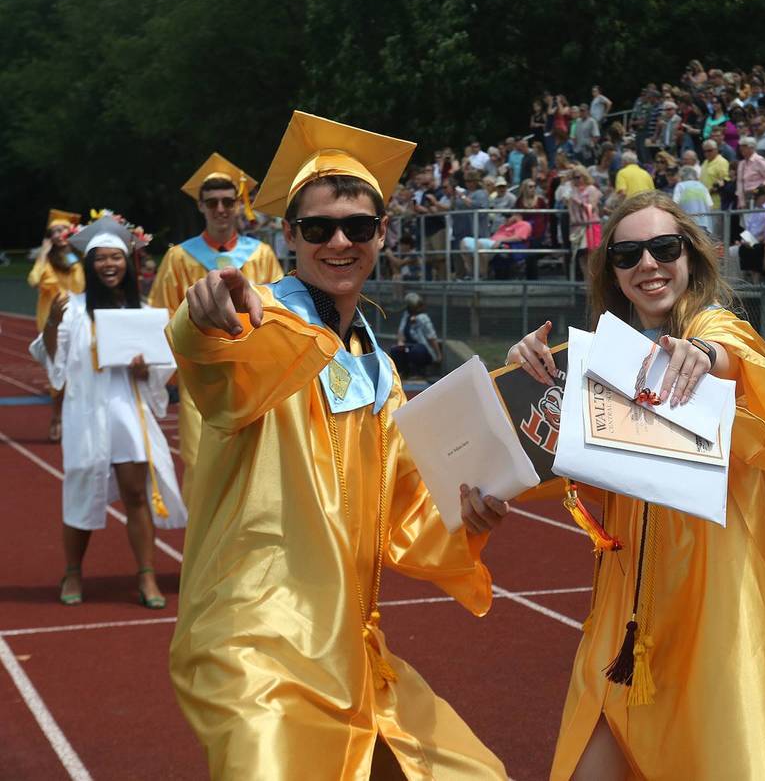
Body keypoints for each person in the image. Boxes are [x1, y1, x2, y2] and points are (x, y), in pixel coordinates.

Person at [167, 112, 510, 779]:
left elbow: (406, 509)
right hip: (257, 641)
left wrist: (467, 517)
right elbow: (213, 355)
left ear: (382, 234)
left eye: (359, 226)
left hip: (351, 642)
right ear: (288, 235)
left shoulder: (379, 366)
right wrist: (202, 313)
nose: (340, 242)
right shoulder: (264, 321)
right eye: (319, 228)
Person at [507, 190, 765, 780]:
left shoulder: (714, 328)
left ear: (690, 257)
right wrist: (531, 379)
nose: (647, 264)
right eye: (628, 255)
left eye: (663, 247)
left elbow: (740, 356)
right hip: (626, 615)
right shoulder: (603, 360)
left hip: (716, 608)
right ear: (613, 273)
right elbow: (561, 469)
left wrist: (706, 356)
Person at [30, 216, 186, 608]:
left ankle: (147, 577)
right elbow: (52, 358)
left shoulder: (144, 310)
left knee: (137, 494)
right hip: (87, 413)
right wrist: (51, 322)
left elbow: (161, 369)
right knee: (81, 493)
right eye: (100, 259)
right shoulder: (75, 308)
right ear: (90, 264)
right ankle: (72, 572)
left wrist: (145, 369)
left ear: (127, 263)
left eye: (116, 258)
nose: (108, 265)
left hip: (128, 412)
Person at [149, 153, 282, 504]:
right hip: (202, 377)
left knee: (257, 464)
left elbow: (280, 311)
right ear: (201, 207)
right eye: (212, 203)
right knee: (199, 463)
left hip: (252, 373)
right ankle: (199, 551)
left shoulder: (262, 254)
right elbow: (161, 314)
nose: (221, 209)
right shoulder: (179, 257)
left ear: (240, 204)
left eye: (228, 201)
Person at [28, 209, 85, 442]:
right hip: (52, 322)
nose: (58, 234)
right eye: (53, 231)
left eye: (62, 229)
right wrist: (43, 254)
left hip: (78, 319)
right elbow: (33, 281)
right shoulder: (48, 260)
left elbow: (84, 285)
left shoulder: (77, 258)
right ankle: (57, 416)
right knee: (58, 373)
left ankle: (73, 420)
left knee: (79, 371)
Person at [390, 292, 441, 379]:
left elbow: (431, 337)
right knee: (395, 350)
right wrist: (400, 342)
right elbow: (401, 332)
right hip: (408, 345)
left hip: (422, 348)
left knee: (416, 350)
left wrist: (438, 354)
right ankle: (402, 372)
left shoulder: (423, 318)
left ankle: (419, 373)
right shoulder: (406, 316)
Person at [670, 166, 714, 235]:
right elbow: (710, 205)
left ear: (681, 176)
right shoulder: (702, 186)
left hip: (687, 223)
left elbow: (675, 204)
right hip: (704, 223)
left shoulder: (680, 186)